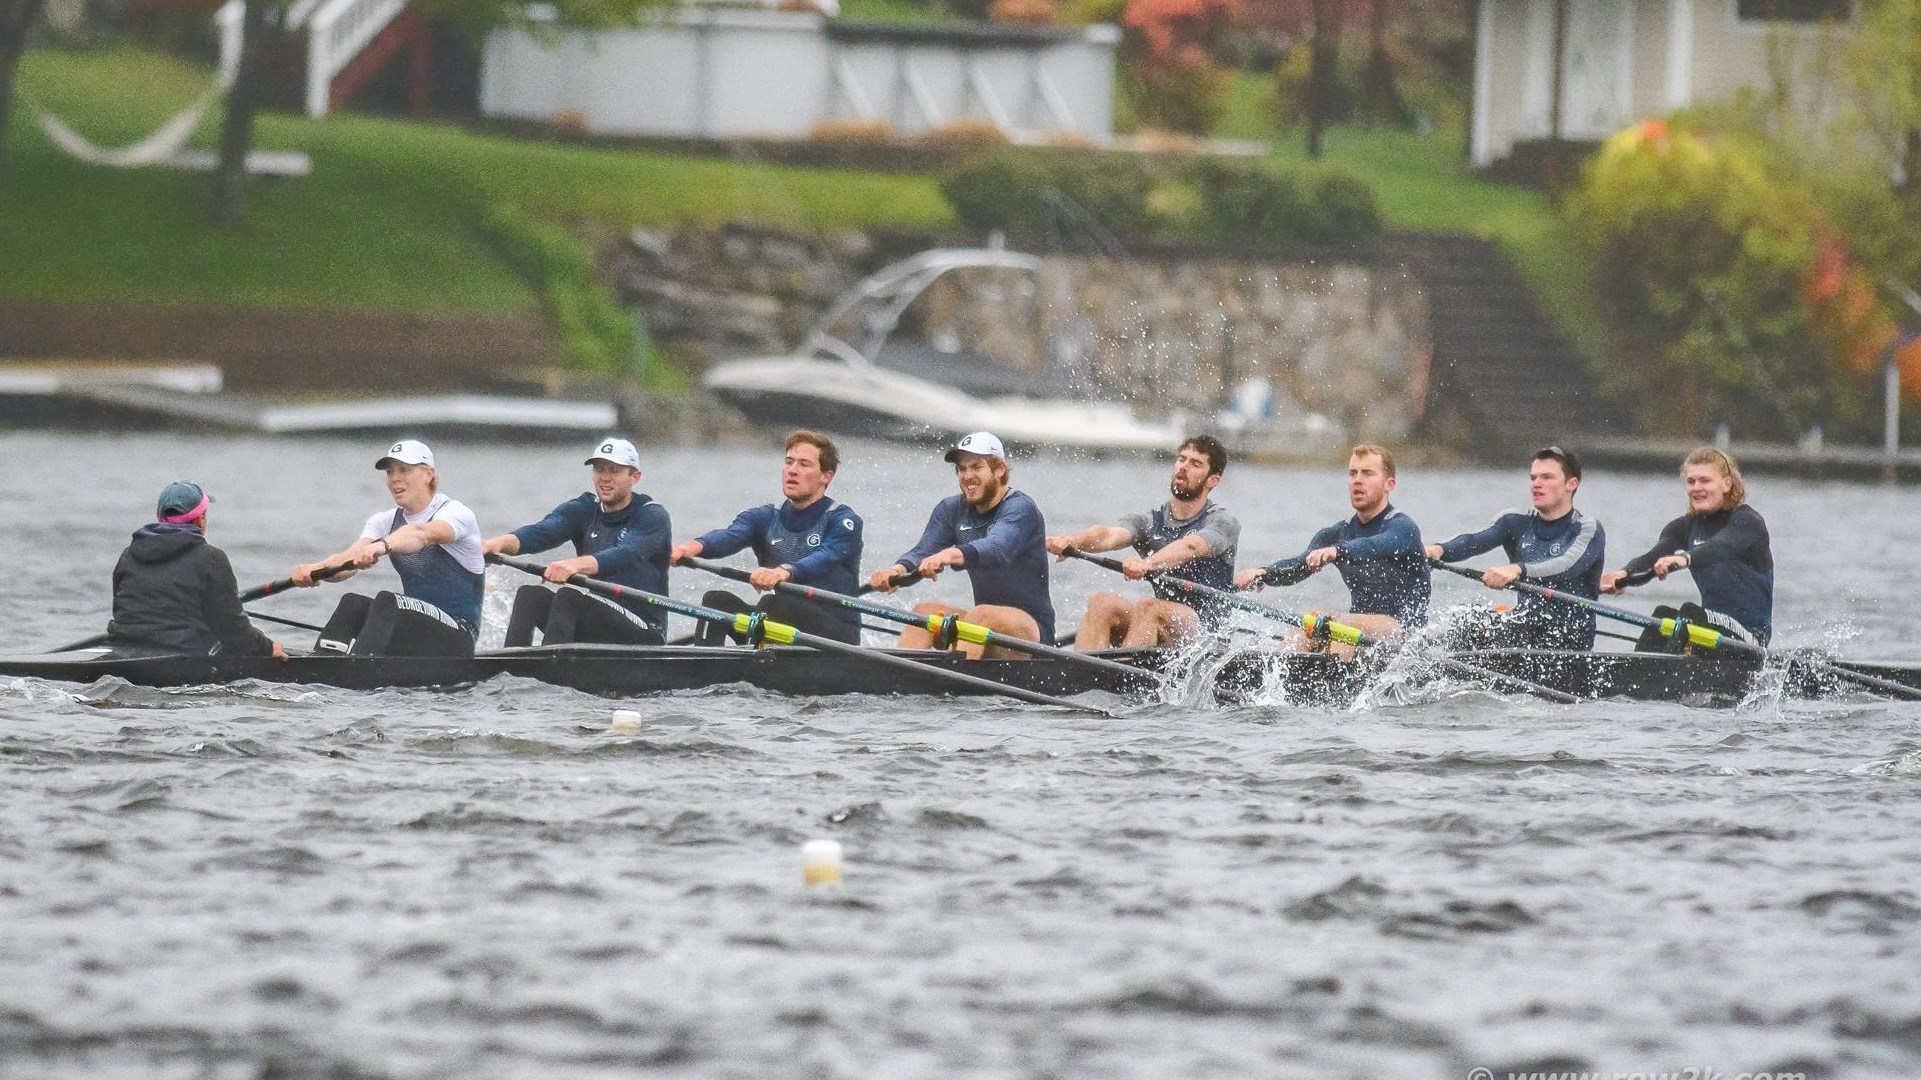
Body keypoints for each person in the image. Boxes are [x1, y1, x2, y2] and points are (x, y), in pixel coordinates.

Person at [868, 431, 1053, 658]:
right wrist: (896, 571)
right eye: (962, 469)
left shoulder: (1020, 508)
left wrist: (948, 555)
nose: (967, 476)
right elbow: (922, 552)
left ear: (999, 470)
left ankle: (955, 690)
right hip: (984, 629)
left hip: (1032, 635)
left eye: (976, 467)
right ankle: (898, 684)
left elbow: (996, 548)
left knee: (980, 615)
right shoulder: (950, 510)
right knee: (923, 614)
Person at [292, 439, 485, 657]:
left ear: (428, 474)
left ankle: (359, 668)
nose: (394, 479)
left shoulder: (455, 513)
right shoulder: (384, 521)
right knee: (352, 602)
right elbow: (349, 559)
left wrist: (383, 546)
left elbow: (421, 534)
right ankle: (323, 663)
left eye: (404, 470)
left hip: (458, 636)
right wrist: (316, 570)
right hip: (416, 631)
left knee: (388, 601)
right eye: (390, 472)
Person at [668, 430, 864, 645]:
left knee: (772, 604)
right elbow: (729, 536)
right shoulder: (764, 517)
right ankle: (703, 668)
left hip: (834, 636)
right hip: (779, 624)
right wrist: (692, 547)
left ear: (826, 475)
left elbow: (826, 556)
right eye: (789, 462)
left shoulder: (844, 521)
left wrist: (785, 571)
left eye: (804, 465)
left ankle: (756, 659)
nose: (793, 471)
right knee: (715, 601)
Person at [1045, 435, 1239, 649]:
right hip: (1162, 626)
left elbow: (1192, 546)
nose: (1184, 467)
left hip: (1205, 637)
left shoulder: (1222, 522)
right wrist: (1073, 541)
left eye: (1196, 464)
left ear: (1213, 480)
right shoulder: (1150, 521)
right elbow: (1109, 535)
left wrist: (1148, 563)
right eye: (1182, 459)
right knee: (1102, 603)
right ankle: (1082, 676)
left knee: (1148, 606)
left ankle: (1124, 678)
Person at [1234, 444, 1429, 655]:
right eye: (1353, 473)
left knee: (1341, 626)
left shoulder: (1402, 528)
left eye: (1367, 474)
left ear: (1388, 484)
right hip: (1358, 633)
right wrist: (1263, 574)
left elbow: (1374, 546)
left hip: (1405, 636)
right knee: (1306, 624)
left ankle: (1333, 680)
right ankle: (1283, 680)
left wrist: (1338, 551)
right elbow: (1298, 567)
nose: (1357, 480)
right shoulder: (1337, 533)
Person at [482, 437, 672, 647]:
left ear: (634, 477)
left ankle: (550, 668)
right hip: (600, 618)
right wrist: (495, 544)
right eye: (600, 470)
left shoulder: (652, 516)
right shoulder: (583, 509)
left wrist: (573, 565)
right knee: (529, 595)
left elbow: (626, 554)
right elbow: (540, 533)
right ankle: (511, 666)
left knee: (568, 596)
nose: (605, 478)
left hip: (644, 628)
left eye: (614, 471)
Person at [1425, 445, 1606, 650]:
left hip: (1568, 640)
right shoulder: (1516, 522)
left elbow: (1565, 566)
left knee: (1506, 634)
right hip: (1525, 629)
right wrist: (1438, 550)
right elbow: (1473, 541)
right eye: (1533, 477)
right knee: (1466, 622)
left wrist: (1517, 569)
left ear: (1571, 484)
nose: (1536, 484)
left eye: (1547, 477)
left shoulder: (1587, 529)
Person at [1601, 446, 1773, 646]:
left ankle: (1669, 671)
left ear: (1726, 484)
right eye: (1691, 482)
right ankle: (1636, 673)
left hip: (1749, 637)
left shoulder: (1748, 522)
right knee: (1662, 617)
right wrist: (1624, 575)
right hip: (1711, 632)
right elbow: (1654, 557)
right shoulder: (1683, 527)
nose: (1696, 487)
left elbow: (1720, 546)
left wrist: (1684, 558)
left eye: (1705, 481)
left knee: (1690, 615)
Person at [105, 481, 286, 659]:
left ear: (160, 518)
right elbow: (233, 631)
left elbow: (121, 612)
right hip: (182, 664)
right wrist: (268, 648)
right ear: (200, 519)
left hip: (123, 657)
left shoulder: (128, 556)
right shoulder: (211, 558)